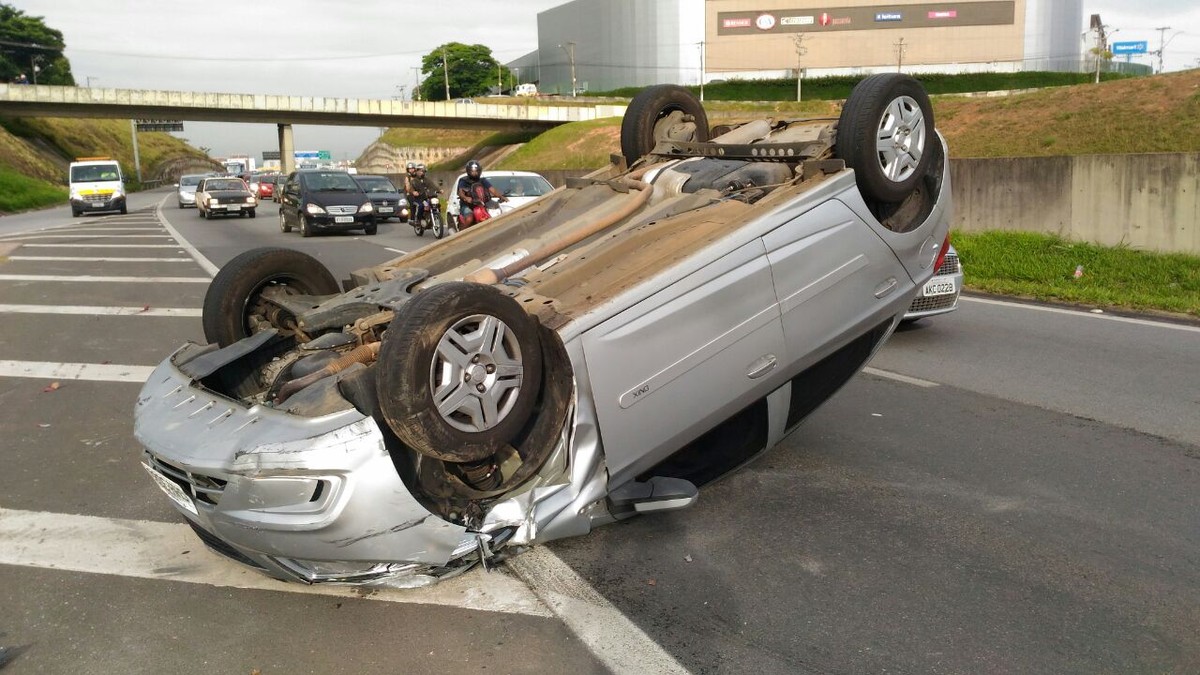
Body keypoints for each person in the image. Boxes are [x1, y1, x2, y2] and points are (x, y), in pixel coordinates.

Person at [456, 160, 506, 229]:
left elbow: (492, 190)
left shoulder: (483, 180)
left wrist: (501, 196)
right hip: (468, 205)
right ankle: (461, 235)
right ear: (468, 171)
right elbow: (460, 192)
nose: (475, 173)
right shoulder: (464, 181)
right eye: (472, 171)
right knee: (469, 218)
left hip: (482, 203)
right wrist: (466, 198)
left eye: (476, 171)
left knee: (496, 212)